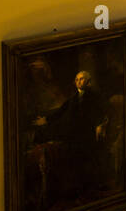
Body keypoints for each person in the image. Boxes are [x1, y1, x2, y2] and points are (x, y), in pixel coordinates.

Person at [34, 70, 109, 201]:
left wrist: (100, 125)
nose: (78, 81)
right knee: (70, 157)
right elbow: (60, 112)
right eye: (77, 79)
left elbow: (104, 112)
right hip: (73, 134)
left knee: (90, 159)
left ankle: (94, 186)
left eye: (82, 79)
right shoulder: (73, 98)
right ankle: (75, 189)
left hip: (88, 133)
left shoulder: (95, 96)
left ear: (88, 81)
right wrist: (46, 119)